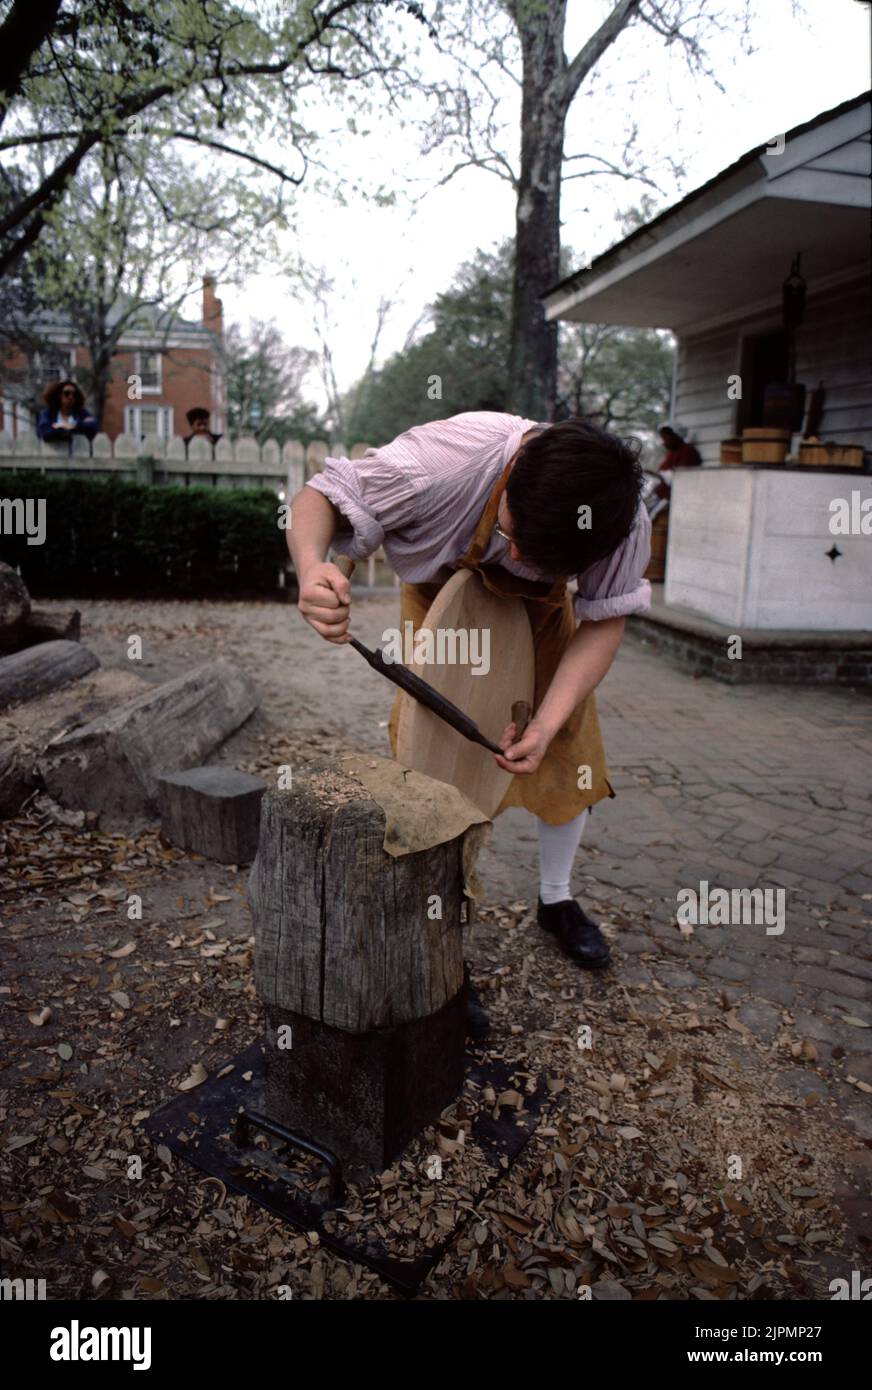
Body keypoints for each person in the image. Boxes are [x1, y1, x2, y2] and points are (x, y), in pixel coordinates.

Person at [287, 412, 651, 1037]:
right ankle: (441, 939)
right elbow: (321, 496)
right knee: (434, 771)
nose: (516, 561)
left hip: (540, 623)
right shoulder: (439, 465)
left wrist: (547, 719)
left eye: (540, 560)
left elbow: (603, 621)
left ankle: (556, 899)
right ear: (511, 477)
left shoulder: (620, 520)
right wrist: (310, 568)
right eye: (512, 537)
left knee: (568, 748)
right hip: (442, 604)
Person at [656, 423, 701, 499]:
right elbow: (661, 471)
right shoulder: (671, 453)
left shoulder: (688, 451)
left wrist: (659, 475)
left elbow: (682, 477)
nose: (663, 442)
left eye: (665, 438)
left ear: (676, 436)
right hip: (664, 498)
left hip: (679, 499)